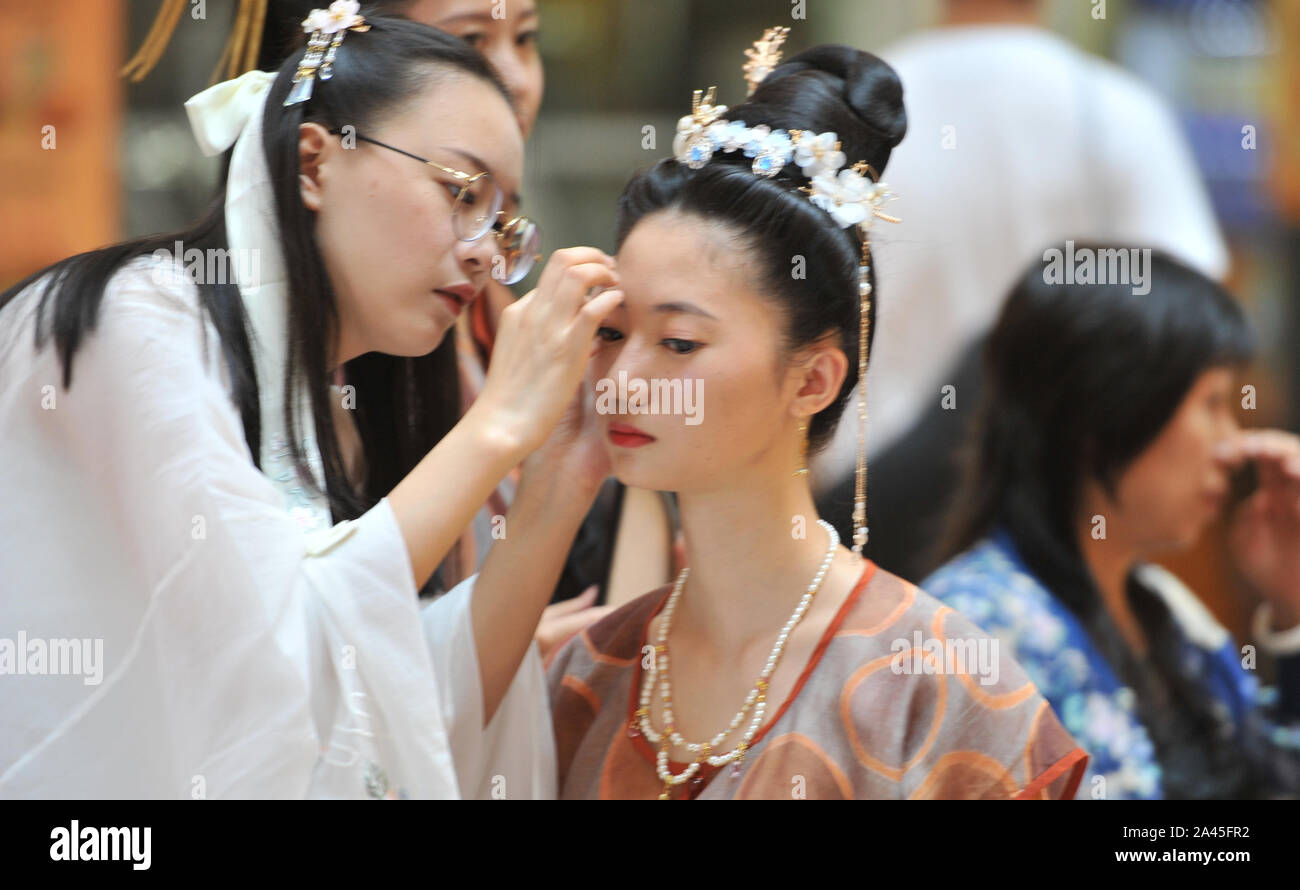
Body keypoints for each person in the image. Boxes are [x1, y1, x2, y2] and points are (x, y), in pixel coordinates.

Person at [0, 10, 623, 798]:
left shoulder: (347, 400)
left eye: (503, 223)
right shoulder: (135, 323)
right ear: (313, 164)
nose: (482, 250)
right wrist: (496, 427)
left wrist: (560, 480)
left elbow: (398, 714)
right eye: (461, 192)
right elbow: (266, 677)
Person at [543, 32, 1089, 800]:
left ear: (813, 380)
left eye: (678, 341)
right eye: (611, 332)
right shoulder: (584, 671)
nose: (625, 380)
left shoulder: (937, 682)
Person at [812, 0, 1230, 582]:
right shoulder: (1114, 109)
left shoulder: (847, 113)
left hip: (855, 505)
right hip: (1056, 518)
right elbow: (1193, 323)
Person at [922, 250, 1300, 799]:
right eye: (1212, 403)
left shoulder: (1163, 608)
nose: (1232, 444)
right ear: (1107, 411)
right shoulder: (977, 625)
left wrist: (1293, 604)